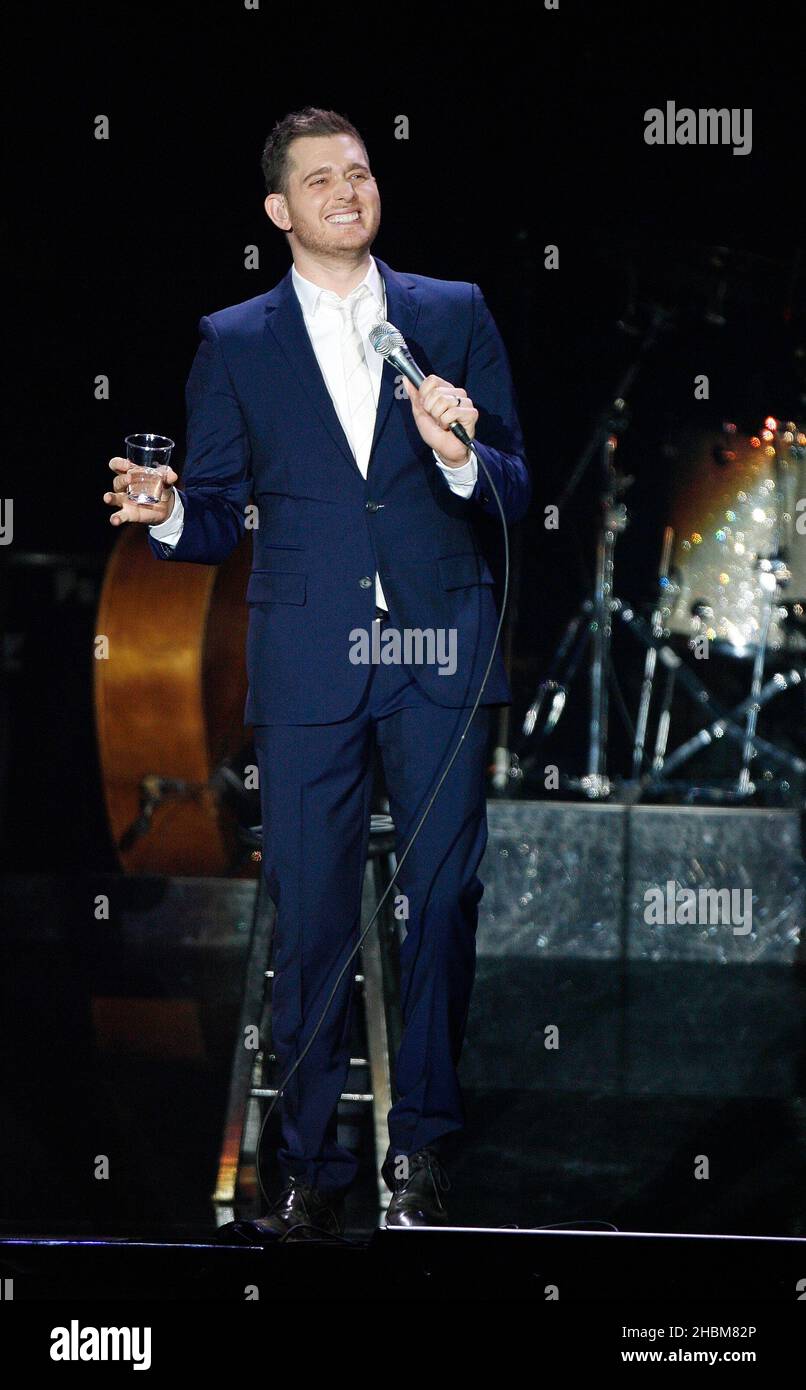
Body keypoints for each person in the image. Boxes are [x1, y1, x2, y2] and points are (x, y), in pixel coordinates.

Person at [103, 106, 531, 1234]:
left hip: (436, 650)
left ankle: (424, 1149)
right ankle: (301, 1162)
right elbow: (208, 517)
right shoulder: (235, 340)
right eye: (319, 178)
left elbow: (513, 490)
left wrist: (456, 456)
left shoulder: (452, 313)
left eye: (360, 170)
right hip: (307, 660)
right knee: (311, 918)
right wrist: (163, 514)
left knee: (441, 898)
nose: (346, 188)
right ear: (279, 212)